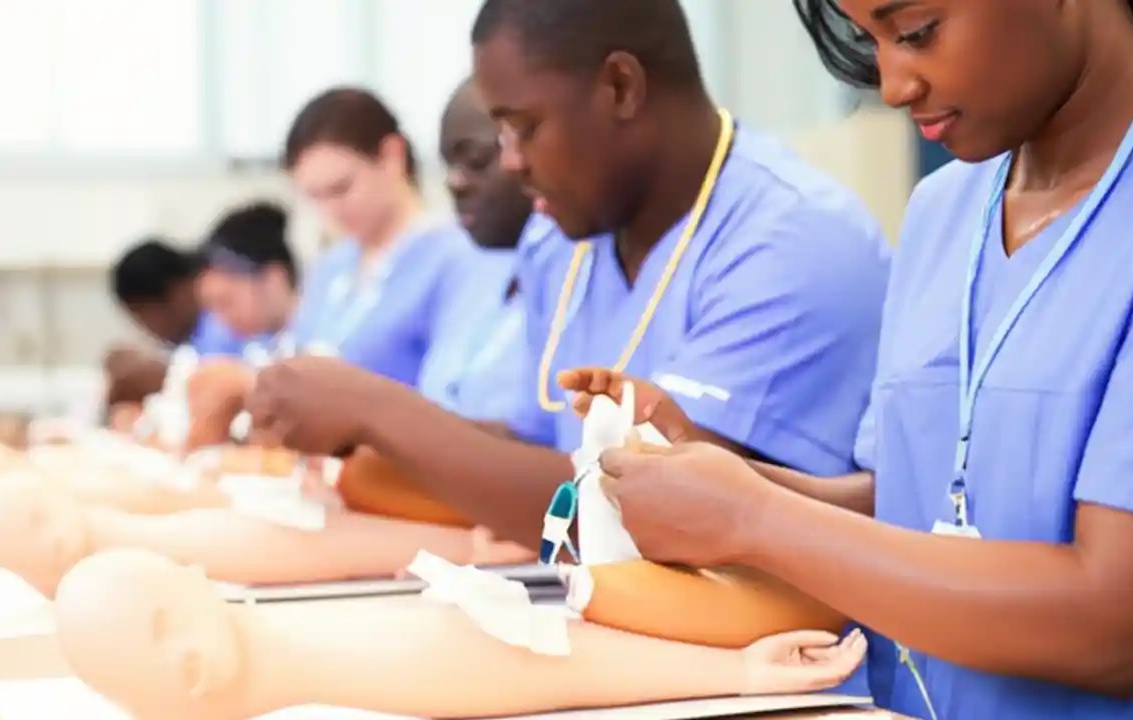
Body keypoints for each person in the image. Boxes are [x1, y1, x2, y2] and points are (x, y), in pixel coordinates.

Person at [565, 2, 1133, 718]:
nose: (892, 85)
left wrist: (755, 518)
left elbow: (1123, 624)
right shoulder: (944, 208)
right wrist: (715, 471)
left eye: (917, 32)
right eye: (870, 40)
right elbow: (909, 506)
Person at [247, 0, 891, 550]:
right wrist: (350, 423)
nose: (512, 163)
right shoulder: (558, 238)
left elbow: (650, 515)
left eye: (523, 128)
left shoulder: (792, 240)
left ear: (620, 87)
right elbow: (530, 447)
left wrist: (374, 409)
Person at [281, 87, 474, 385]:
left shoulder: (457, 257)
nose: (331, 210)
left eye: (341, 188)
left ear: (391, 156)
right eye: (315, 197)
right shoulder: (330, 268)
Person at [415, 77, 546, 422]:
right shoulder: (472, 268)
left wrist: (374, 415)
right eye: (448, 165)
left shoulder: (583, 276)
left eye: (476, 160)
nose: (455, 182)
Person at [106, 238, 249, 408]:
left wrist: (163, 377)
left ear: (177, 293)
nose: (146, 330)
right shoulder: (193, 337)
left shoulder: (221, 325)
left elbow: (222, 386)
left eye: (143, 316)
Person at [196, 202, 299, 356]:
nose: (221, 320)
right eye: (213, 309)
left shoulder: (327, 337)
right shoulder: (254, 349)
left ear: (274, 279)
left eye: (226, 302)